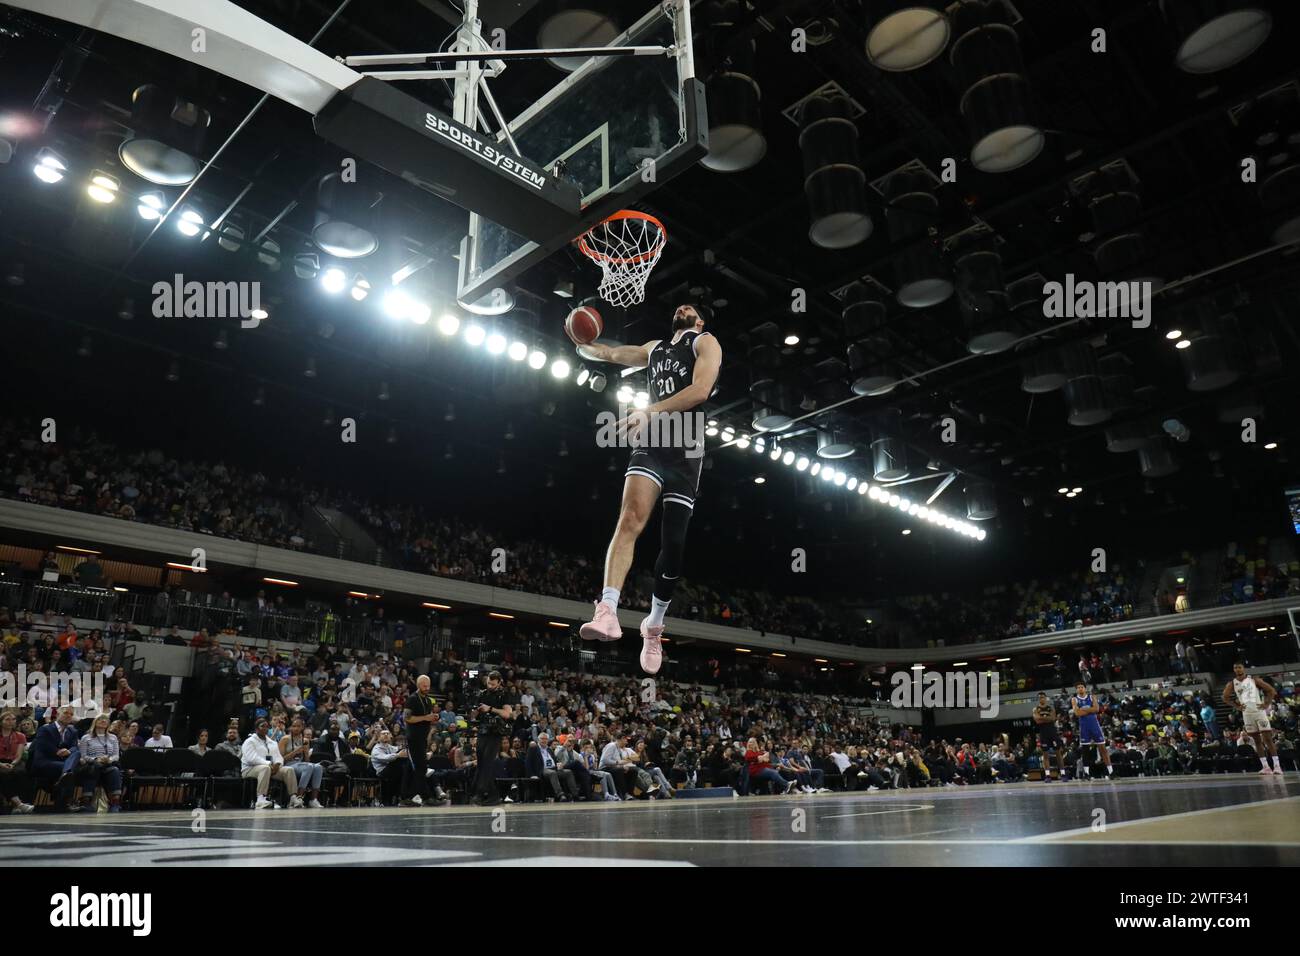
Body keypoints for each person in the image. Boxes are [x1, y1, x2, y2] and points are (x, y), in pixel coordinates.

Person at [573, 304, 723, 675]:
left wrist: (650, 410)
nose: (683, 306)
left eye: (692, 307)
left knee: (673, 545)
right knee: (629, 519)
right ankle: (607, 609)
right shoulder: (656, 348)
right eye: (679, 305)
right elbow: (608, 353)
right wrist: (580, 338)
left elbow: (701, 390)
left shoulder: (706, 342)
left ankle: (653, 625)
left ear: (699, 321)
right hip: (653, 441)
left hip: (686, 446)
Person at [1223, 662, 1283, 774]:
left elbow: (1271, 690)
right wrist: (1237, 706)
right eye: (1235, 667)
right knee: (1256, 741)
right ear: (1234, 670)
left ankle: (1277, 766)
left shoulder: (1254, 679)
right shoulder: (1232, 683)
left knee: (1268, 740)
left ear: (1243, 668)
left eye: (1239, 667)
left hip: (1259, 712)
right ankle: (1266, 767)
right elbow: (1225, 697)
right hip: (1247, 714)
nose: (1237, 669)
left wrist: (1266, 704)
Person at [470, 671, 515, 807]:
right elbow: (475, 713)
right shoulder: (483, 694)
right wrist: (475, 712)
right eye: (488, 683)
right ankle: (492, 795)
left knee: (488, 762)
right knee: (482, 762)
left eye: (493, 684)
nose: (490, 686)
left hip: (495, 733)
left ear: (499, 682)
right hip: (483, 731)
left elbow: (508, 714)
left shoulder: (504, 695)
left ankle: (481, 793)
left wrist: (490, 709)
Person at [30, 706, 82, 810]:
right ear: (57, 714)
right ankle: (67, 802)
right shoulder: (45, 728)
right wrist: (57, 751)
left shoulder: (73, 731)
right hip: (45, 761)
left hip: (63, 762)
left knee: (76, 753)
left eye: (71, 714)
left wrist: (68, 751)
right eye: (66, 713)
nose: (69, 716)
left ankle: (66, 773)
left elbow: (74, 746)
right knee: (71, 769)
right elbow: (42, 745)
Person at [240, 717, 299, 810]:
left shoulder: (272, 742)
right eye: (262, 726)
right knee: (265, 768)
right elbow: (252, 758)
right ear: (256, 729)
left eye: (267, 726)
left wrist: (277, 764)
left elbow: (278, 756)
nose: (265, 728)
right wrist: (268, 764)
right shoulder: (249, 741)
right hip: (249, 769)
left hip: (269, 769)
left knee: (289, 770)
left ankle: (293, 798)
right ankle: (260, 799)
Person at [400, 674, 436, 807]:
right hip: (413, 737)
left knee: (416, 768)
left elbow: (426, 718)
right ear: (418, 685)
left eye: (428, 685)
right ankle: (422, 796)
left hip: (422, 737)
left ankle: (408, 796)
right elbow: (407, 718)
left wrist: (432, 718)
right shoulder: (412, 699)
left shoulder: (427, 700)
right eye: (424, 686)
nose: (427, 688)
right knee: (420, 767)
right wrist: (426, 717)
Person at [74, 714, 123, 812]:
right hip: (92, 765)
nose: (103, 721)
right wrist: (96, 759)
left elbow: (116, 756)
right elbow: (83, 756)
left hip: (107, 765)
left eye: (106, 719)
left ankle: (115, 803)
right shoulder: (86, 737)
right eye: (101, 719)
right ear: (95, 722)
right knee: (94, 769)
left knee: (115, 770)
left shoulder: (113, 738)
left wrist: (109, 760)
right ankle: (86, 802)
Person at [278, 717, 324, 808]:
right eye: (294, 726)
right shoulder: (285, 739)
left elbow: (306, 761)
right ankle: (298, 798)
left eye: (298, 726)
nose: (296, 728)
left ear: (302, 727)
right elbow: (280, 759)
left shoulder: (305, 740)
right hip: (288, 765)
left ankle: (313, 799)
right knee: (309, 767)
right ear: (290, 727)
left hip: (300, 764)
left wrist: (306, 753)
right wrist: (296, 751)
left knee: (319, 767)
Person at [1070, 683, 1113, 779]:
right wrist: (1090, 709)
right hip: (1084, 727)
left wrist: (1083, 710)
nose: (1080, 689)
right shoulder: (1074, 699)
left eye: (1082, 687)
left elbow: (1097, 709)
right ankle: (1087, 773)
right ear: (1076, 690)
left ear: (1085, 689)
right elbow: (1077, 713)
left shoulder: (1092, 696)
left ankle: (1111, 772)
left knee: (1103, 749)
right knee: (1085, 750)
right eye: (1078, 688)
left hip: (1095, 726)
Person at [526, 733, 579, 801]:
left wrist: (558, 764)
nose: (544, 741)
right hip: (543, 769)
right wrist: (531, 775)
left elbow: (554, 760)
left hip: (554, 768)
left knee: (568, 772)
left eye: (546, 739)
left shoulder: (549, 750)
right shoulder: (533, 748)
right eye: (542, 739)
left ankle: (575, 794)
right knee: (552, 773)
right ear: (538, 740)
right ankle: (560, 794)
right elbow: (528, 762)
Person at [0, 711, 35, 813]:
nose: (11, 722)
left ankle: (19, 804)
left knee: (21, 772)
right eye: (7, 719)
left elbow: (18, 755)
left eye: (13, 719)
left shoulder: (20, 736)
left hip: (13, 761)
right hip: (0, 762)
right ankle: (18, 804)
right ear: (1, 722)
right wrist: (1, 764)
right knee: (3, 774)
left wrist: (13, 764)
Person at [1032, 692, 1066, 780]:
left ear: (1046, 698)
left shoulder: (1050, 708)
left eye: (1043, 697)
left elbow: (1053, 719)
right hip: (1043, 733)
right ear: (1038, 699)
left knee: (1058, 753)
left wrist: (1042, 717)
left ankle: (1063, 774)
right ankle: (1047, 775)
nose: (1041, 699)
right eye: (1040, 698)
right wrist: (1047, 718)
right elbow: (1037, 721)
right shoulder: (1035, 709)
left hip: (1052, 732)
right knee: (1045, 754)